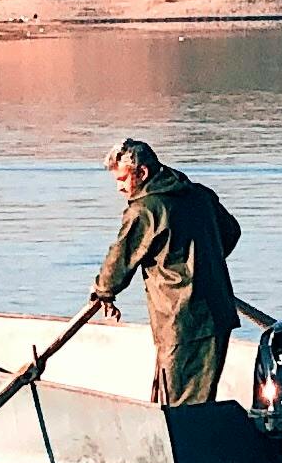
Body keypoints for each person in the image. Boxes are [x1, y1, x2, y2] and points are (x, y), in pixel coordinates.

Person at [90, 135, 243, 407]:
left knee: (183, 403)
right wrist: (203, 264)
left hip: (182, 319)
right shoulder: (200, 195)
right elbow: (230, 233)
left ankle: (188, 447)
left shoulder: (146, 209)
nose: (119, 188)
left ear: (143, 173)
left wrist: (102, 291)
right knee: (196, 395)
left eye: (123, 179)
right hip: (217, 313)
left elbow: (119, 261)